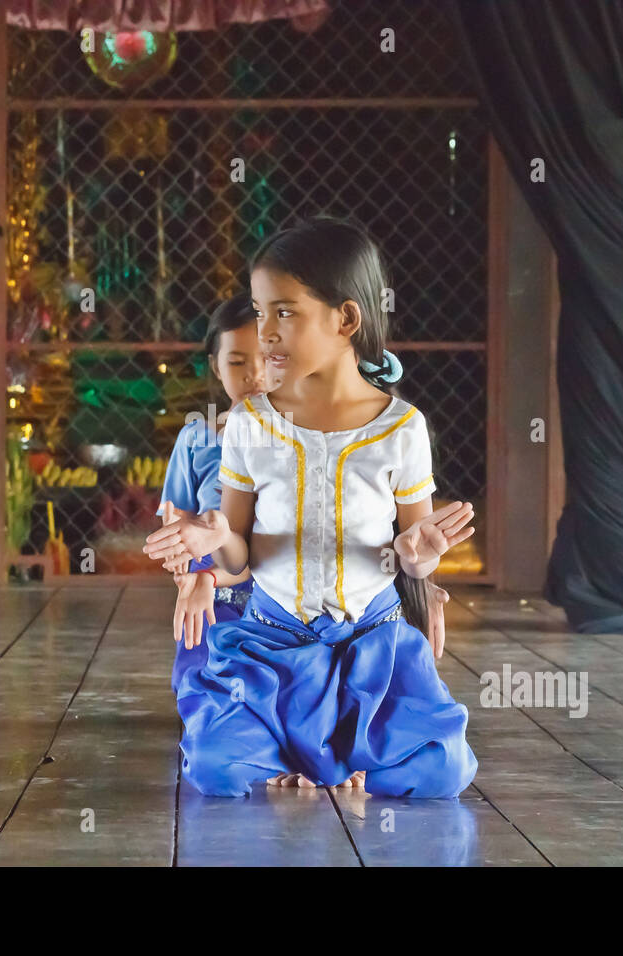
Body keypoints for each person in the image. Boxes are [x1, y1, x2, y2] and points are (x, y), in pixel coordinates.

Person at [144, 218, 478, 797]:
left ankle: (346, 751)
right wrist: (215, 535)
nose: (265, 331)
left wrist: (418, 560)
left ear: (346, 319)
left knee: (443, 770)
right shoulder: (250, 423)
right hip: (271, 647)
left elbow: (416, 555)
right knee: (216, 767)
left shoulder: (402, 428)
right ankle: (301, 748)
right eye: (259, 310)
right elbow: (238, 564)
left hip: (372, 648)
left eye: (284, 312)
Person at [157, 295, 265, 692]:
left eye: (267, 359)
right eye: (237, 362)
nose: (255, 375)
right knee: (206, 684)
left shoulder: (298, 442)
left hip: (277, 584)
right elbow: (177, 521)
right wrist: (186, 569)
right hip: (210, 581)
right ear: (216, 368)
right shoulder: (196, 438)